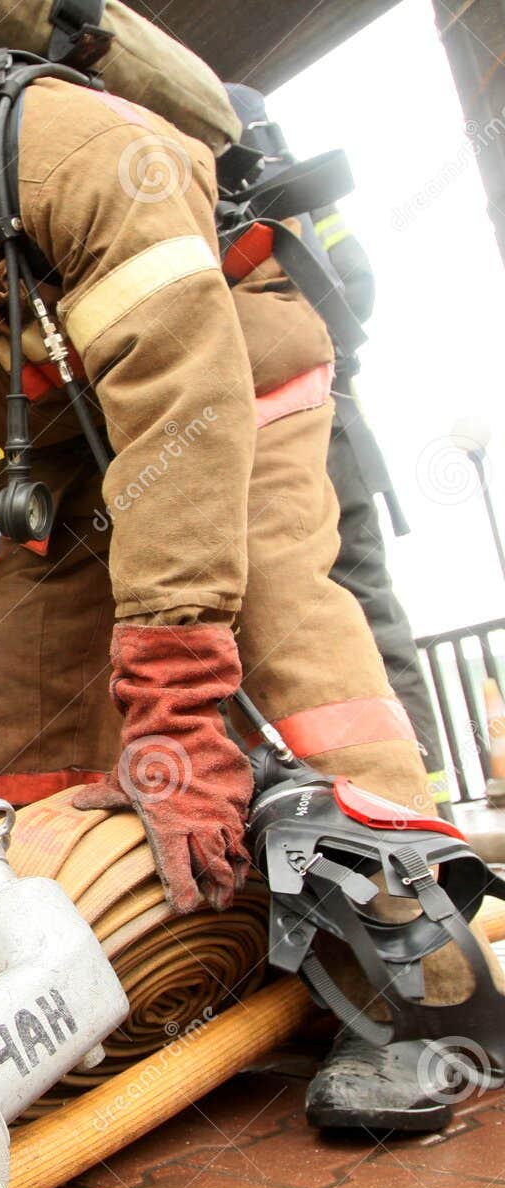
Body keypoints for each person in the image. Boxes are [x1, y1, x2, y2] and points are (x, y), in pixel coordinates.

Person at [0, 52, 495, 1131]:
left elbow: (185, 410)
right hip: (76, 454)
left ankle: (433, 1006)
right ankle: (39, 974)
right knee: (15, 706)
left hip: (229, 390)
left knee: (284, 639)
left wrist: (175, 689)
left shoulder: (69, 158)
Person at [225, 83, 452, 819]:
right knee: (364, 601)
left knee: (317, 604)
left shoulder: (214, 193)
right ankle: (424, 799)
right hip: (334, 407)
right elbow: (356, 285)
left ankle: (398, 805)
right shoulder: (292, 182)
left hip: (290, 419)